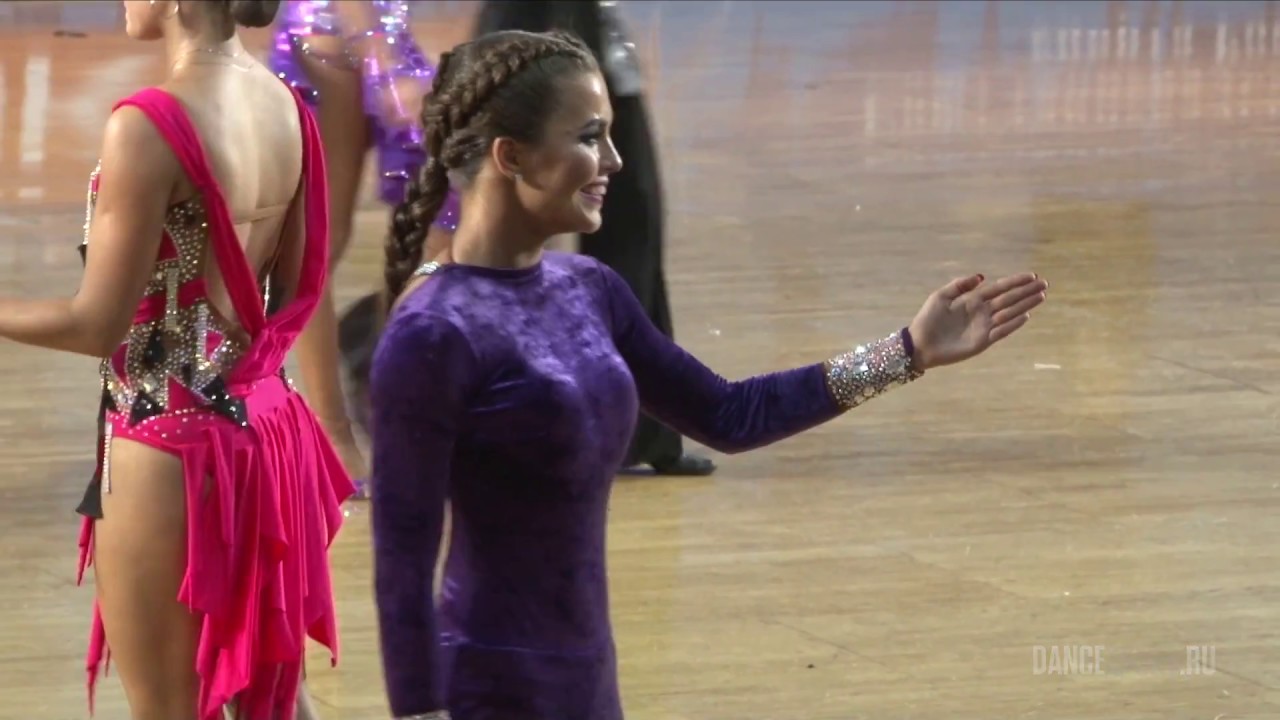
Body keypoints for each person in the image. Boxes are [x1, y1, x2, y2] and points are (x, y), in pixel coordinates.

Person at [367, 29, 1048, 719]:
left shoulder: (589, 289)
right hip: (488, 690)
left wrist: (905, 353)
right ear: (511, 156)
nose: (615, 160)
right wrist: (421, 713)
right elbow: (401, 563)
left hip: (588, 683)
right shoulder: (432, 334)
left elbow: (728, 414)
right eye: (590, 137)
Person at [0, 1, 354, 718]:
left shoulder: (148, 125)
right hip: (267, 431)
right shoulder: (285, 103)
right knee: (280, 702)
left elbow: (95, 324)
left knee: (168, 708)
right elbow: (291, 291)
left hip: (166, 447)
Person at [472, 0, 715, 476]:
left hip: (591, 61)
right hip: (544, 55)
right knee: (515, 253)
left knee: (632, 238)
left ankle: (639, 429)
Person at [269, 0, 460, 496]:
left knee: (446, 229)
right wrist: (385, 62)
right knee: (318, 246)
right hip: (333, 32)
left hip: (379, 29)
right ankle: (332, 433)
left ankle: (401, 402)